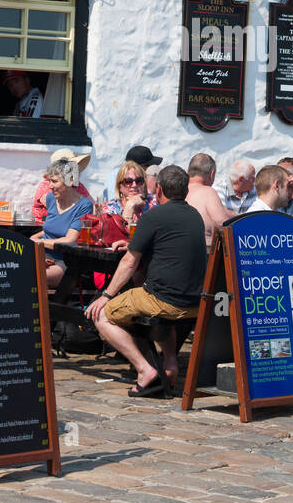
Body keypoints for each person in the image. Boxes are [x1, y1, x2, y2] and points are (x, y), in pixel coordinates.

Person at [86, 165, 206, 397]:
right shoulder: (194, 216)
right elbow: (167, 246)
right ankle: (170, 363)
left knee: (101, 315)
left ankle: (144, 370)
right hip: (194, 301)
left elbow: (129, 263)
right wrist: (133, 244)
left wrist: (106, 295)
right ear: (185, 191)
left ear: (158, 188)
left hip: (164, 300)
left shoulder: (154, 216)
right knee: (161, 313)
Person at [32, 158, 93, 288]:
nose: (50, 186)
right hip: (42, 254)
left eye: (54, 181)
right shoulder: (50, 198)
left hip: (65, 260)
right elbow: (52, 228)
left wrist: (40, 242)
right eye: (49, 181)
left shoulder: (84, 205)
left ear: (70, 181)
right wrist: (34, 237)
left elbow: (70, 239)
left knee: (34, 276)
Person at [32, 150, 92, 225]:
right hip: (42, 227)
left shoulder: (78, 185)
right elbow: (60, 212)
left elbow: (92, 206)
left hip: (70, 227)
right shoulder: (47, 185)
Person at [185, 152, 231, 247]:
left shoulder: (179, 190)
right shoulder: (208, 192)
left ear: (187, 171)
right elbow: (223, 223)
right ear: (211, 174)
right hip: (204, 254)